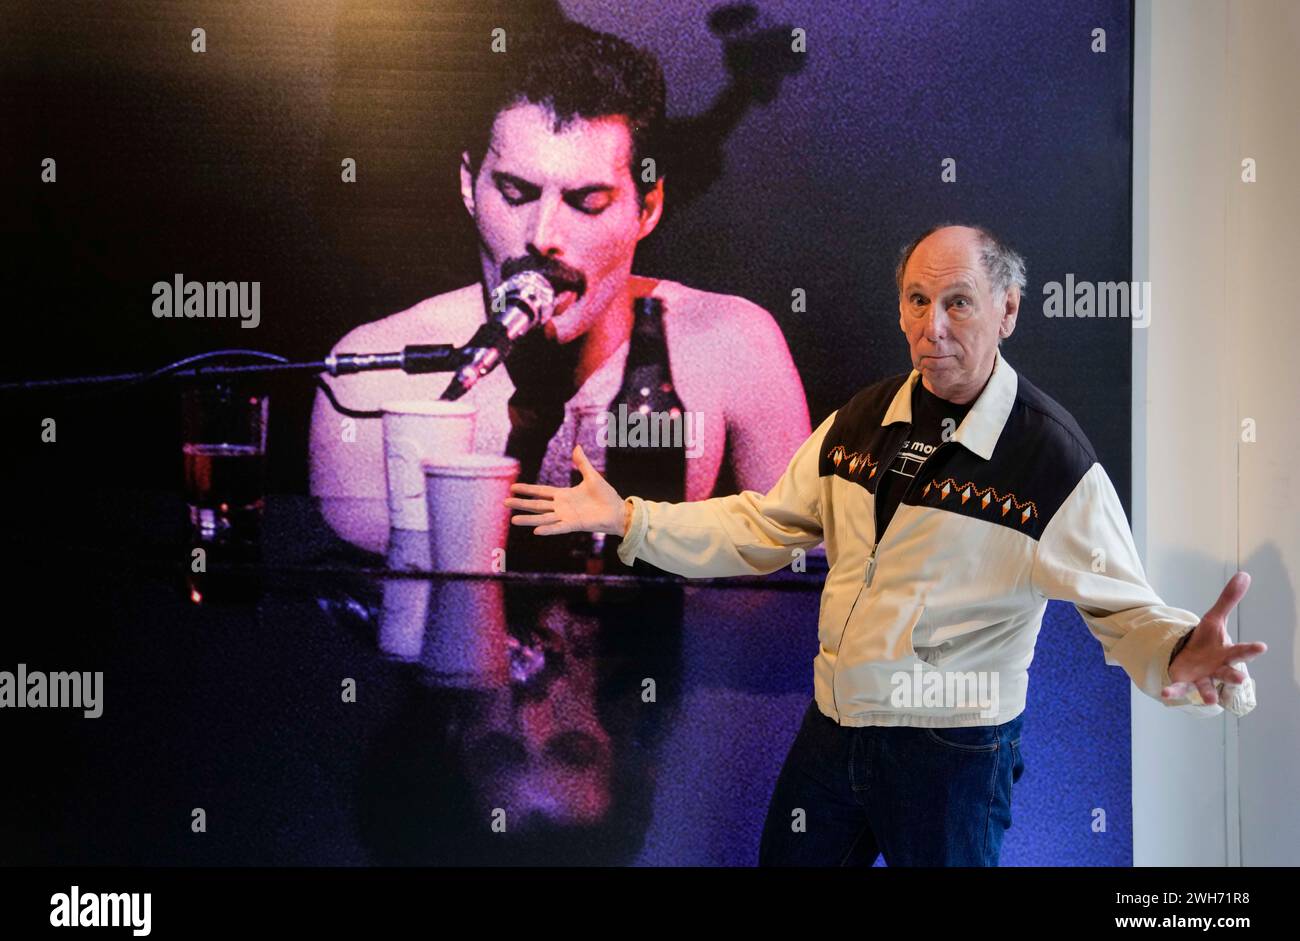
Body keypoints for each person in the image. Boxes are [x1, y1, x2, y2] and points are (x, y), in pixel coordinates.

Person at [504, 223, 1268, 866]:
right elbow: (765, 527)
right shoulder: (863, 418)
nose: (933, 325)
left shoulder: (1050, 458)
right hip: (836, 733)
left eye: (959, 302)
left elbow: (1125, 611)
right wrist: (631, 519)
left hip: (953, 755)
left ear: (1008, 311)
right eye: (917, 299)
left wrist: (1177, 655)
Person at [309, 22, 810, 556]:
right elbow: (358, 617)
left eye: (586, 201)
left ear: (648, 208)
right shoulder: (370, 373)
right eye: (515, 192)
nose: (542, 236)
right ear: (467, 185)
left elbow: (803, 591)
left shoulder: (736, 347)